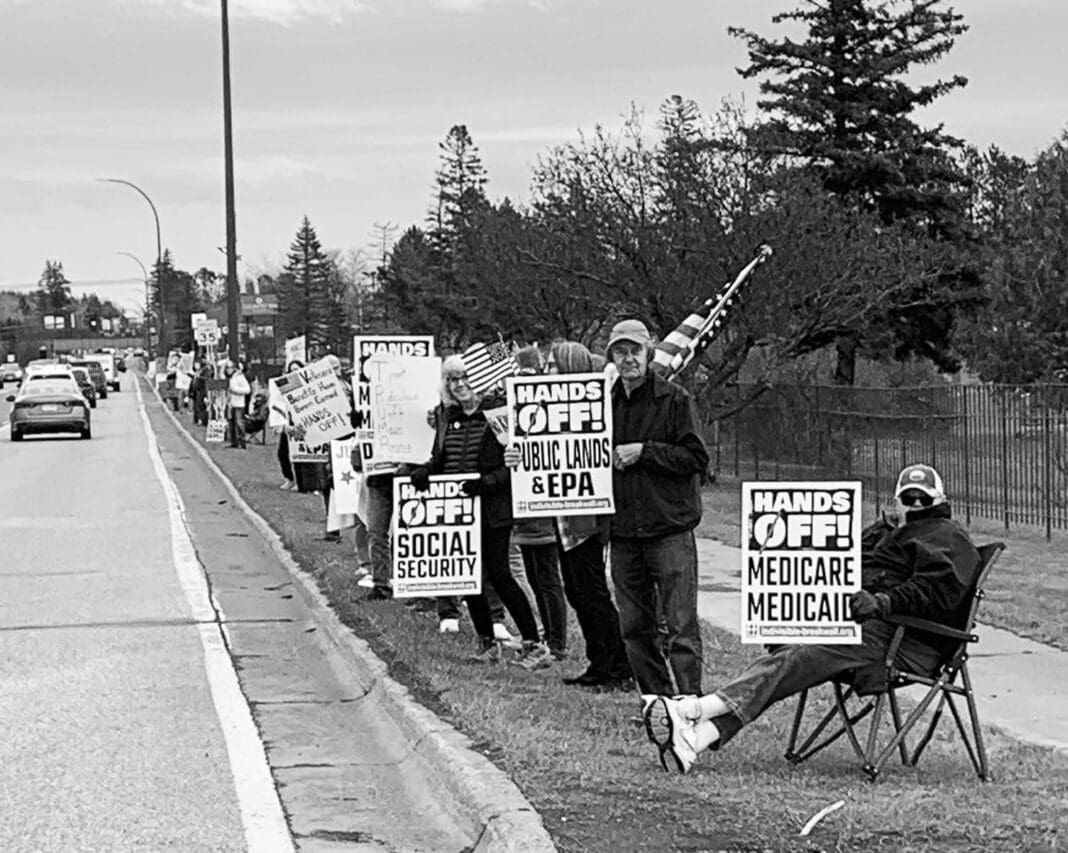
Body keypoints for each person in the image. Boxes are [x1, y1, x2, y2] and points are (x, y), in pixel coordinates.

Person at [645, 463, 982, 775]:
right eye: (908, 497)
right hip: (867, 627)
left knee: (804, 652)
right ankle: (695, 740)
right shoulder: (885, 532)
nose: (915, 504)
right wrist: (790, 611)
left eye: (923, 498)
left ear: (940, 501)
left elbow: (937, 592)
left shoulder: (946, 536)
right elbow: (833, 562)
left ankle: (693, 710)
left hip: (907, 640)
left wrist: (882, 601)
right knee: (794, 649)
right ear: (896, 501)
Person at [409, 354, 552, 670]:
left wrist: (485, 484)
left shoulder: (500, 413)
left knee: (500, 575)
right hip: (460, 510)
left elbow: (513, 466)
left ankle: (535, 644)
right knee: (467, 576)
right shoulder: (448, 417)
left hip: (493, 509)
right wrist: (425, 471)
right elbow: (441, 458)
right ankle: (486, 643)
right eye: (452, 380)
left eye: (464, 377)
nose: (459, 385)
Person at [605, 319, 709, 698]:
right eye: (621, 351)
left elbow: (696, 457)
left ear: (649, 353)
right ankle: (657, 701)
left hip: (669, 529)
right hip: (622, 533)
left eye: (635, 350)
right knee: (634, 626)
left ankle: (691, 704)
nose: (628, 358)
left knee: (681, 625)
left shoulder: (675, 399)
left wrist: (645, 452)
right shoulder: (601, 405)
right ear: (612, 356)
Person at [544, 341, 631, 687]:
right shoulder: (543, 406)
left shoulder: (598, 407)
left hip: (586, 516)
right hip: (560, 513)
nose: (547, 370)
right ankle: (598, 663)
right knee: (576, 592)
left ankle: (620, 665)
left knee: (592, 591)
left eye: (553, 365)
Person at [510, 347, 569, 662]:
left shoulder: (556, 408)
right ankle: (548, 634)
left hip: (547, 509)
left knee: (548, 578)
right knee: (534, 576)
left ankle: (557, 641)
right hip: (524, 509)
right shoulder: (518, 411)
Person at [227, 361, 250, 449]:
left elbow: (247, 390)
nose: (228, 369)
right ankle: (234, 442)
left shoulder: (240, 377)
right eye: (227, 367)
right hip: (232, 403)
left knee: (239, 422)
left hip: (239, 404)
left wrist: (236, 390)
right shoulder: (231, 378)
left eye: (230, 367)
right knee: (231, 423)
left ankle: (242, 441)